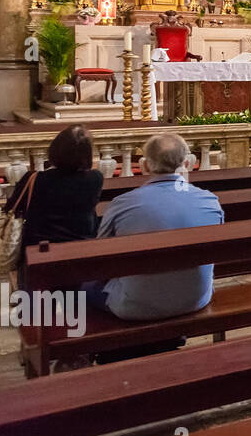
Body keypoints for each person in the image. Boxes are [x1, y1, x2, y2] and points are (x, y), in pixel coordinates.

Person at [91, 132, 224, 321]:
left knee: (82, 289)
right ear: (187, 164)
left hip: (133, 306)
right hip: (196, 299)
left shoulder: (122, 204)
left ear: (144, 166)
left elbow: (100, 256)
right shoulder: (210, 202)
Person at [3, 125, 103, 258]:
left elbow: (11, 208)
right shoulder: (95, 178)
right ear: (87, 154)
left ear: (55, 150)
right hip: (81, 250)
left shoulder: (34, 179)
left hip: (37, 251)